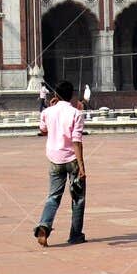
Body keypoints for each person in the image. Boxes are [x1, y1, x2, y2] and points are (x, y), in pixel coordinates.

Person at [33, 81, 87, 247]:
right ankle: (75, 235)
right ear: (72, 95)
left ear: (55, 95)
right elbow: (76, 141)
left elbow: (43, 130)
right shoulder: (76, 113)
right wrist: (82, 167)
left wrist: (50, 109)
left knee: (53, 196)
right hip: (71, 159)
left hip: (54, 159)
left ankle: (44, 225)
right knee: (78, 198)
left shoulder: (47, 112)